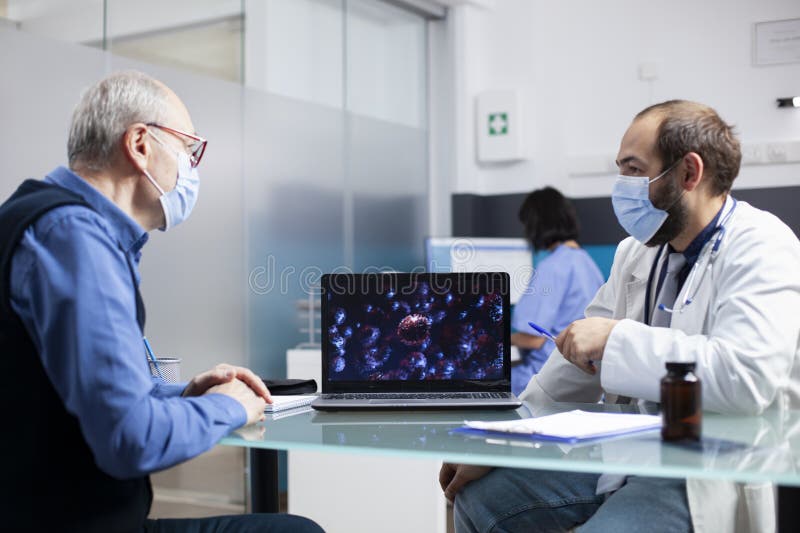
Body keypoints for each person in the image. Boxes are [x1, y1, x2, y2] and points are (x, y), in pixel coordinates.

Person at [440, 100, 800, 532]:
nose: (621, 185)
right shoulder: (639, 251)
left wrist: (615, 340)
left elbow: (747, 377)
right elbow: (574, 362)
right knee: (481, 501)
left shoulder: (763, 246)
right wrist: (502, 440)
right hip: (629, 450)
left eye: (633, 169)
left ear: (689, 173)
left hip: (703, 469)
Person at [0, 71, 323, 532]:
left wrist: (184, 392)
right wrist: (229, 405)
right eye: (188, 149)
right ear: (139, 144)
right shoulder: (74, 240)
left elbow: (79, 392)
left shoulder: (40, 219)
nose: (192, 168)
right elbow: (130, 439)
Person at [510, 187, 604, 395]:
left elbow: (533, 340)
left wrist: (500, 339)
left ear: (535, 225)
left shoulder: (552, 266)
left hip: (545, 374)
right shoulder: (586, 262)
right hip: (582, 374)